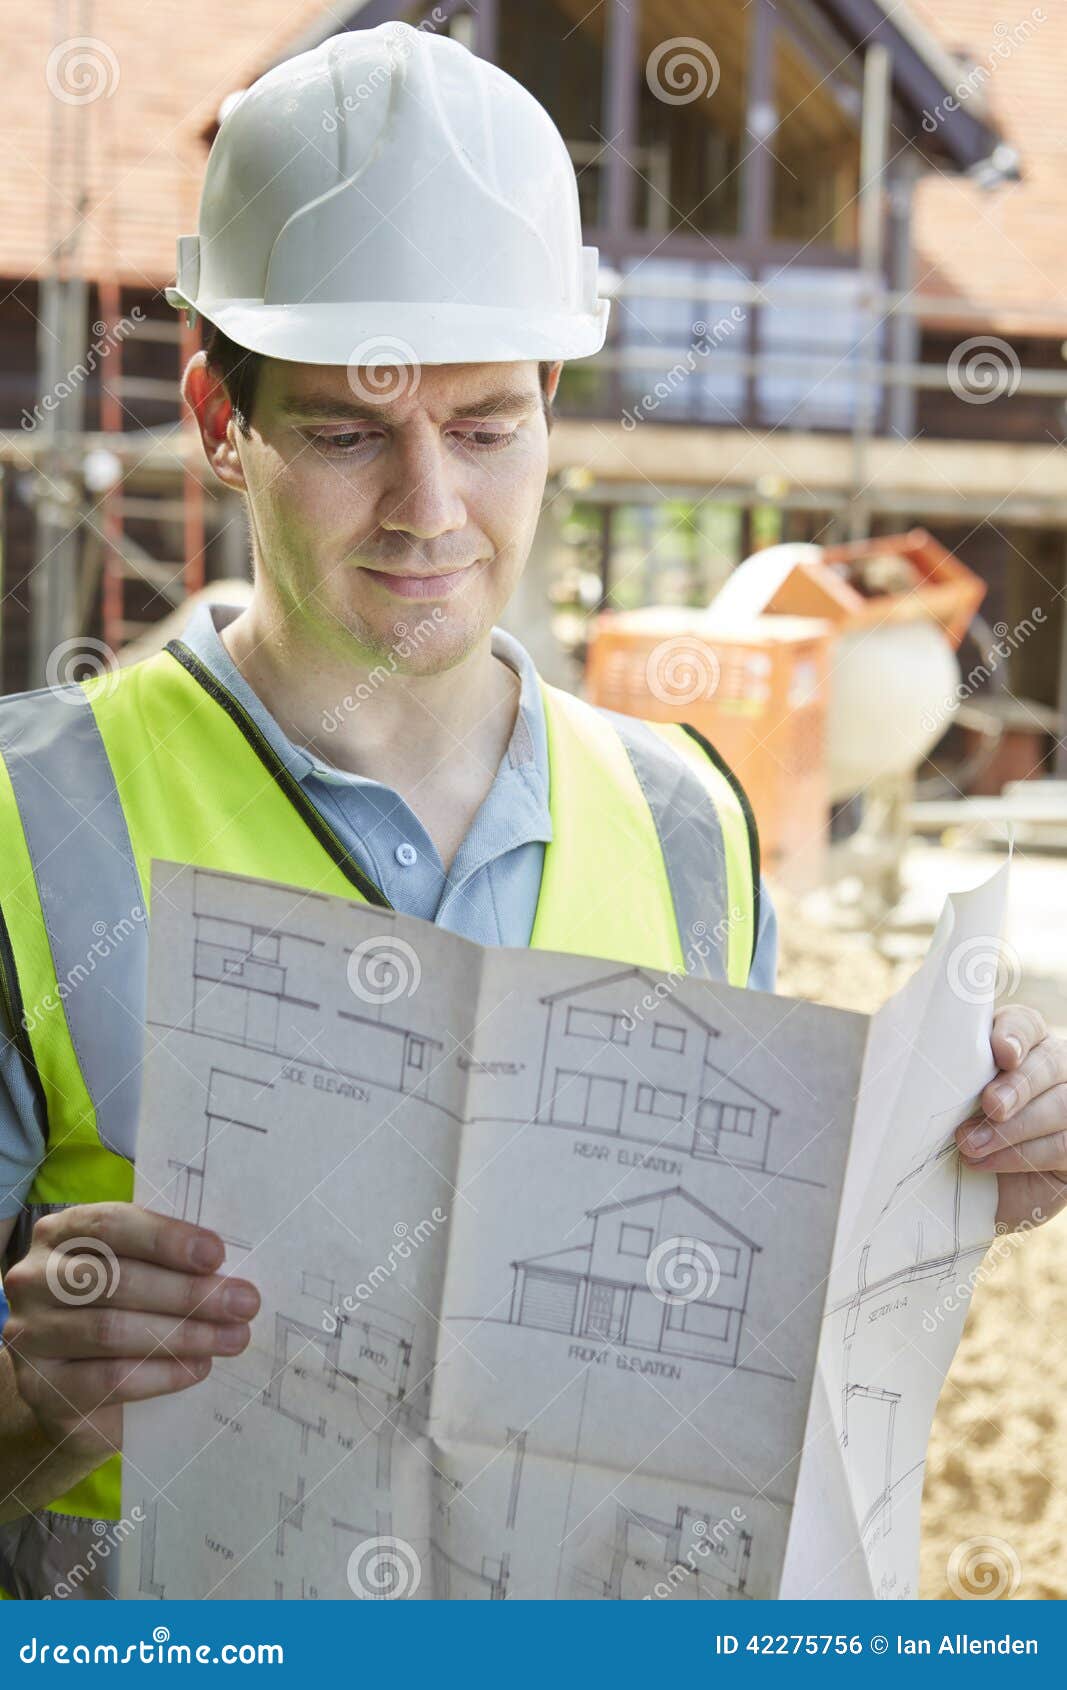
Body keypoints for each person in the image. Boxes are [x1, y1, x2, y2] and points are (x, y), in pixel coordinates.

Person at [0, 22, 1063, 1604]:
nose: (431, 507)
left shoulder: (686, 821)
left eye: (488, 425)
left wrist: (971, 1159)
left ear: (553, 399)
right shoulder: (35, 817)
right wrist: (28, 1399)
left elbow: (741, 1350)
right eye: (352, 431)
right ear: (221, 418)